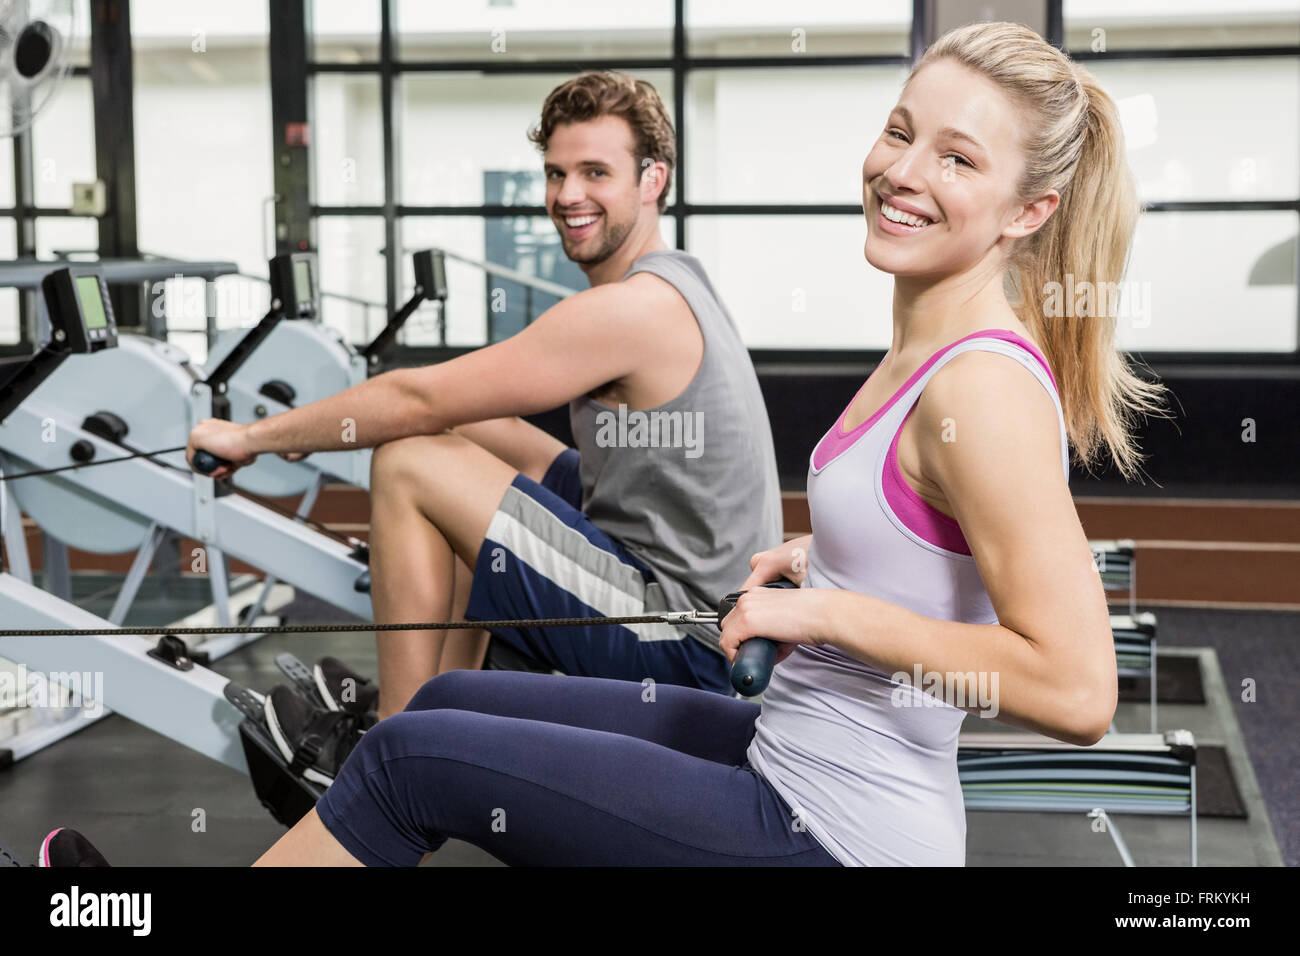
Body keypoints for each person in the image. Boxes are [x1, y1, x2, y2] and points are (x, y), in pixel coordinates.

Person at [54, 20, 1163, 867]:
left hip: (833, 827)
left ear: (1028, 213)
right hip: (790, 741)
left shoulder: (980, 384)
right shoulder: (922, 347)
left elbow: (1076, 689)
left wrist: (824, 609)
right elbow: (937, 567)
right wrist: (816, 566)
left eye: (957, 160)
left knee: (402, 756)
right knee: (439, 707)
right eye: (900, 130)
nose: (903, 170)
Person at [184, 71, 783, 729]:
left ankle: (395, 746)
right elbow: (463, 408)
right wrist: (321, 427)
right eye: (556, 174)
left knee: (409, 461)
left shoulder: (632, 309)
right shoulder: (677, 280)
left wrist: (251, 438)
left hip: (682, 643)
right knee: (479, 434)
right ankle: (452, 703)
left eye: (595, 173)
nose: (568, 195)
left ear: (652, 181)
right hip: (694, 605)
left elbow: (419, 397)